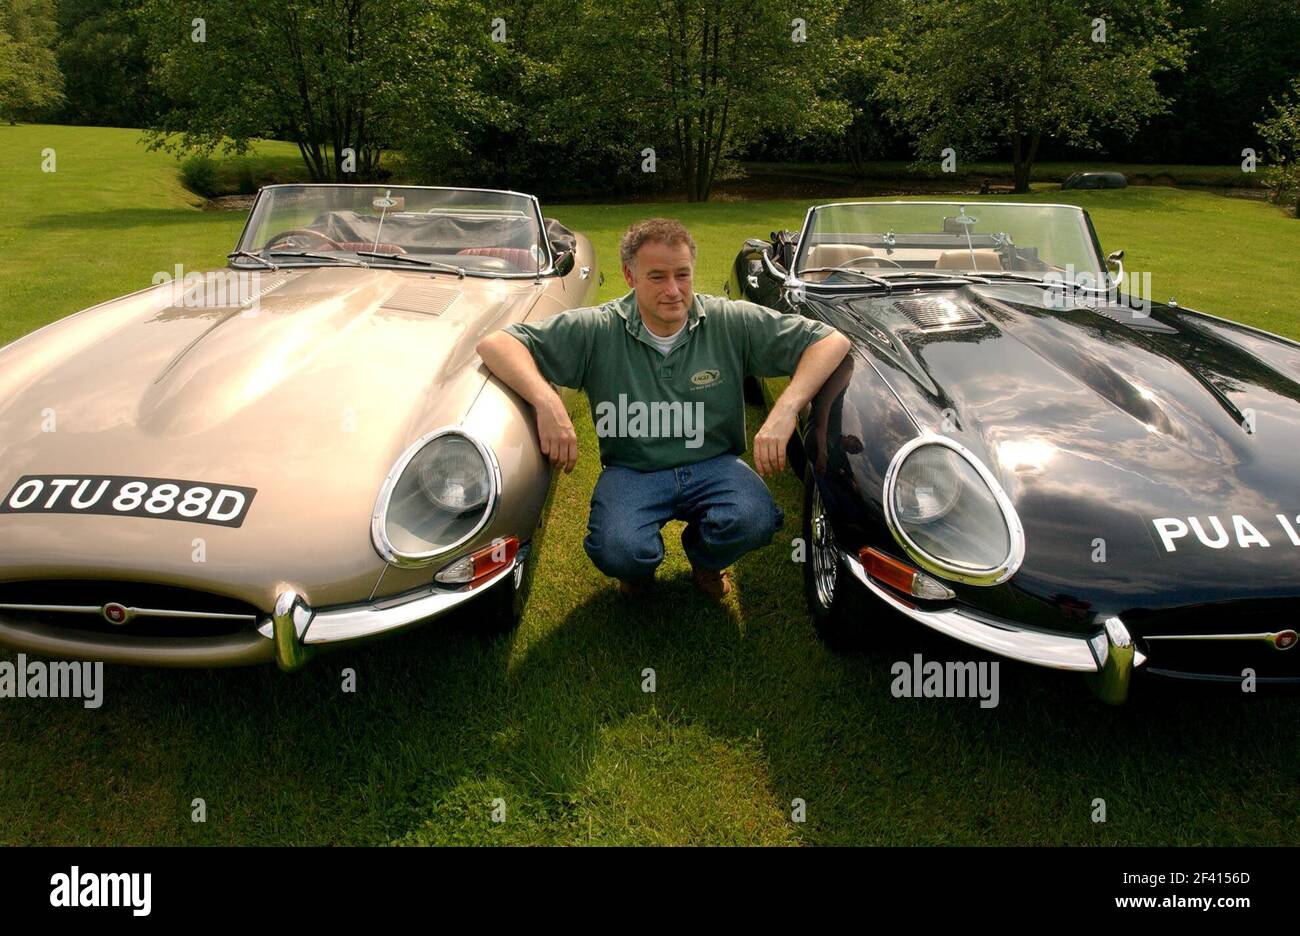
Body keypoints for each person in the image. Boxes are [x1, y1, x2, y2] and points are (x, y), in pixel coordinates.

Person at [476, 218, 850, 599]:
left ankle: (706, 561)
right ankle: (636, 570)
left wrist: (786, 409)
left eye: (682, 275)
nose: (674, 290)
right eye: (657, 277)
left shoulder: (727, 321)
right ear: (629, 276)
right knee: (618, 548)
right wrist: (546, 401)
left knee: (754, 520)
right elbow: (497, 345)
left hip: (713, 463)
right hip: (633, 469)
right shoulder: (598, 329)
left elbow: (830, 341)